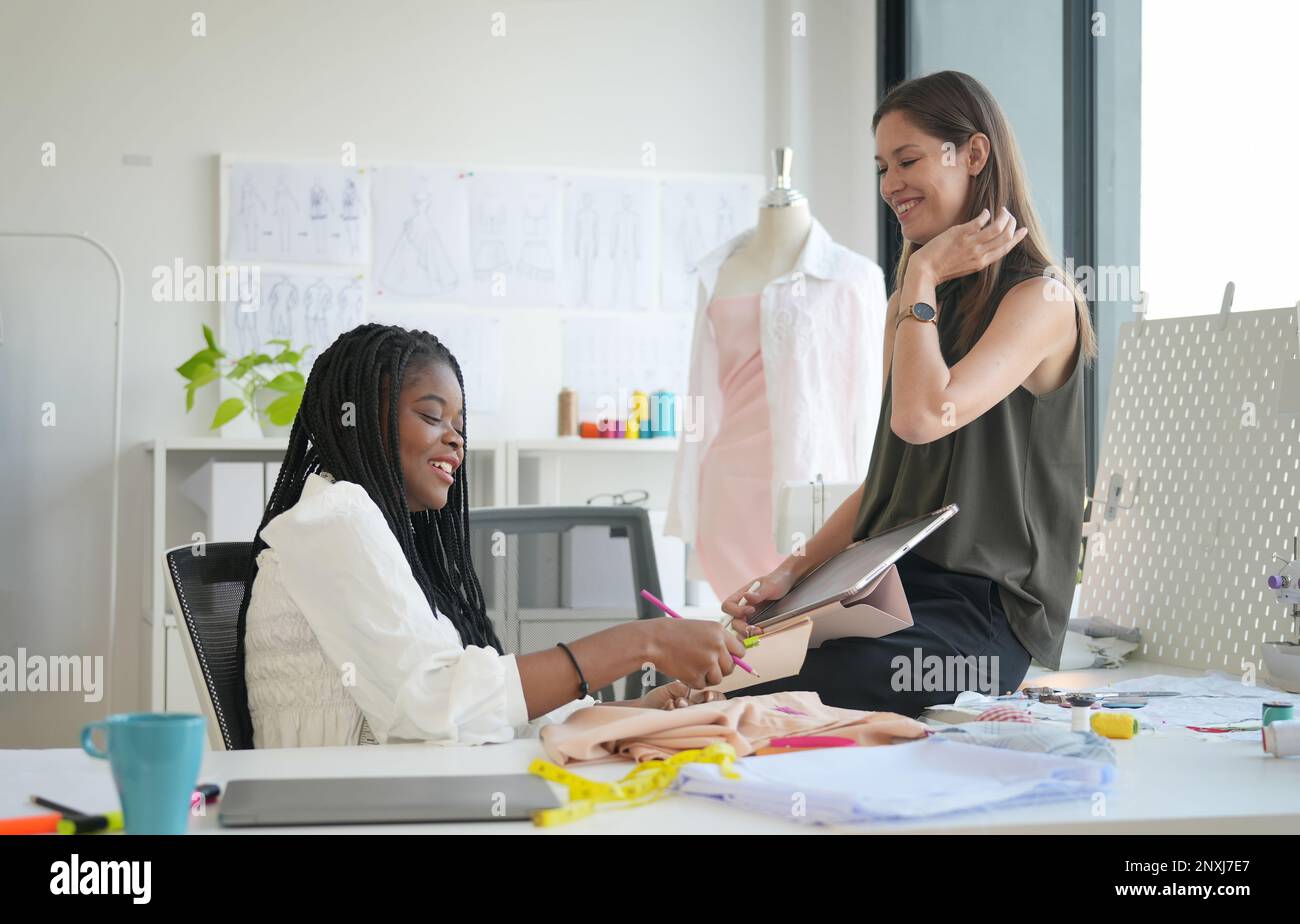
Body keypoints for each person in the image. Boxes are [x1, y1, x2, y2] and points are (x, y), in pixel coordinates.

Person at [723, 71, 1098, 717]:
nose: (890, 184)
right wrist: (793, 573)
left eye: (908, 160)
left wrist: (920, 272)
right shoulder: (915, 303)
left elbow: (925, 418)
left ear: (974, 155)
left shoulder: (1040, 299)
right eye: (882, 167)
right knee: (724, 667)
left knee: (776, 691)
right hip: (884, 594)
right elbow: (891, 480)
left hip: (983, 620)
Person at [237, 323, 743, 748]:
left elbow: (475, 710)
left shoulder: (376, 531)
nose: (455, 438)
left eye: (459, 423)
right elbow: (433, 706)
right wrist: (642, 640)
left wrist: (631, 713)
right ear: (361, 418)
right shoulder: (334, 519)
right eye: (433, 416)